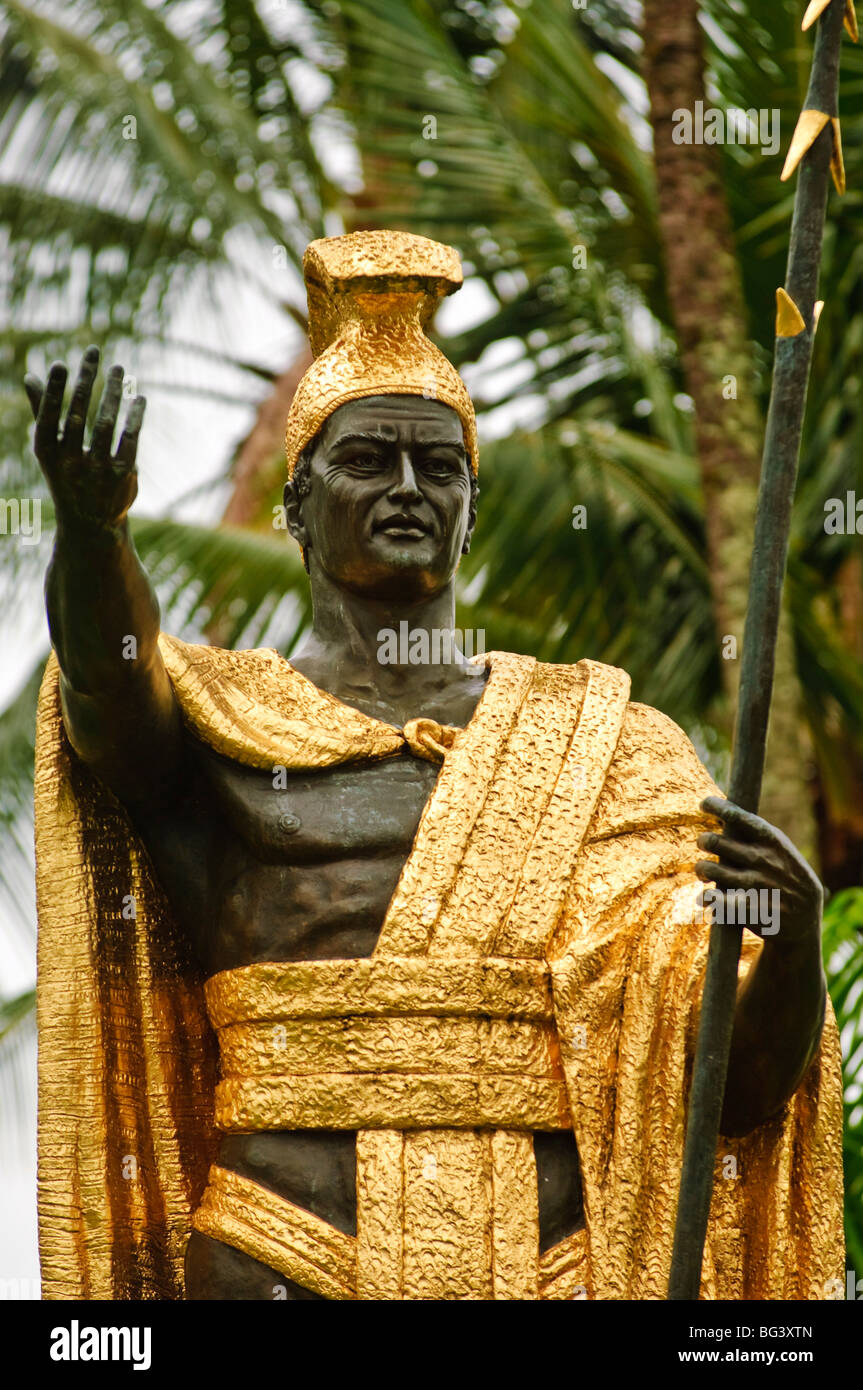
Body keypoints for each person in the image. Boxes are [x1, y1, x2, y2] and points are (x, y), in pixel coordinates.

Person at [30, 231, 843, 1300]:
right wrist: (95, 538)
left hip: (551, 1273)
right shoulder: (220, 721)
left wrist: (784, 948)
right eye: (367, 460)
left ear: (466, 508)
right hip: (282, 1258)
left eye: (439, 465)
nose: (408, 487)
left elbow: (719, 1090)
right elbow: (109, 692)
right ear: (296, 506)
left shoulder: (606, 744)